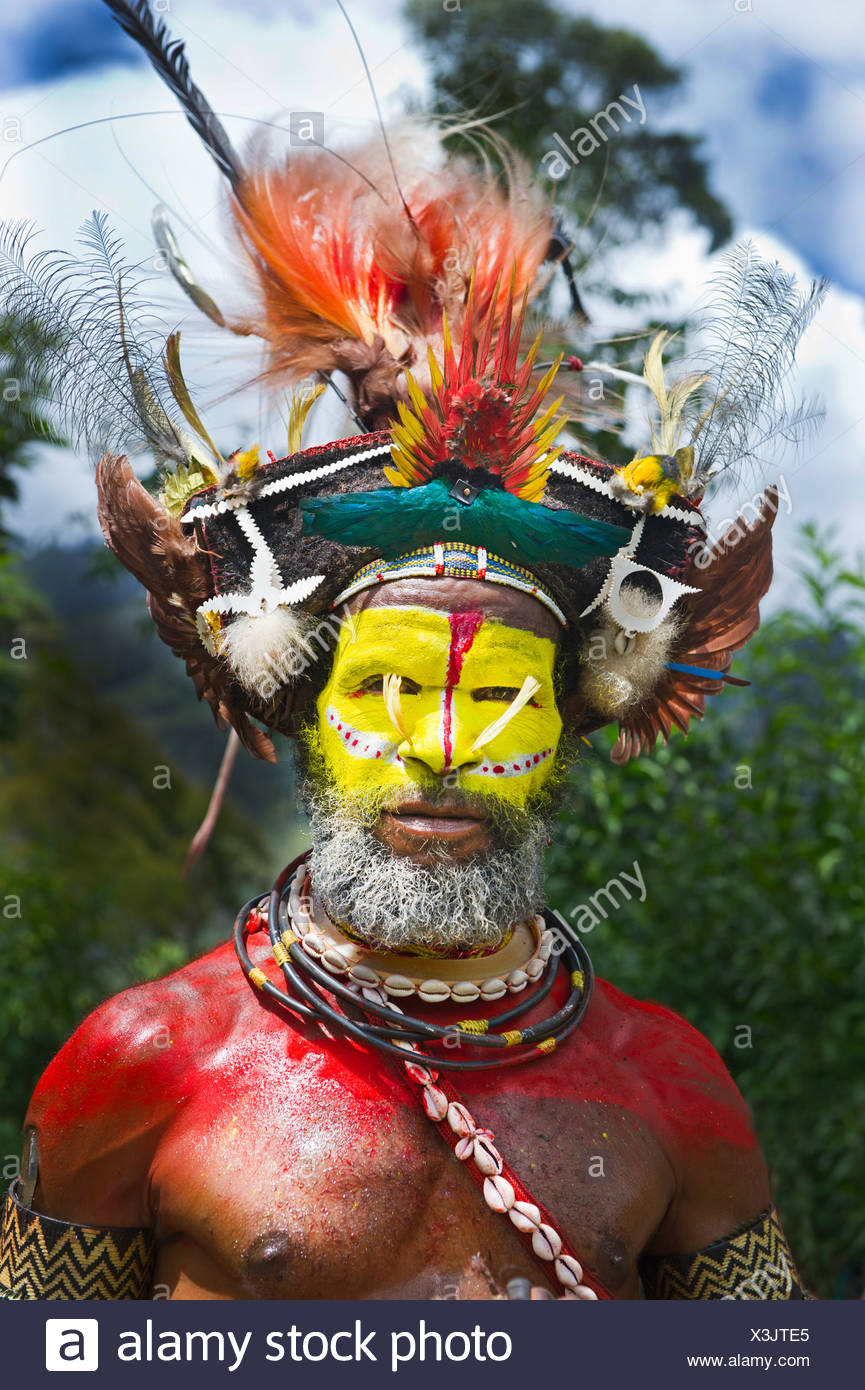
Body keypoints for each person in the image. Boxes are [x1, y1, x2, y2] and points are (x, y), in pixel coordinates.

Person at [0, 1, 818, 1301]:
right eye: (383, 689)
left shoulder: (671, 1085)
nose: (440, 743)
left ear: (569, 722)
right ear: (307, 710)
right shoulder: (142, 1063)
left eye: (497, 696)